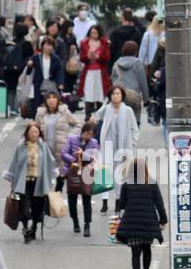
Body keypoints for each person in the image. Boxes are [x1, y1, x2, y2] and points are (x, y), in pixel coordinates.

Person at [115, 156, 167, 269]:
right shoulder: (151, 183)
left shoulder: (127, 184)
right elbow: (159, 203)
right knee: (147, 249)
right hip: (148, 222)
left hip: (131, 222)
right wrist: (163, 220)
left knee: (135, 253)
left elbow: (121, 204)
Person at [2, 120, 56, 244]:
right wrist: (12, 179)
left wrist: (50, 180)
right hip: (24, 182)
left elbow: (50, 163)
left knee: (38, 206)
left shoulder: (43, 146)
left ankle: (34, 227)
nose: (34, 134)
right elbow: (15, 164)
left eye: (36, 132)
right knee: (24, 206)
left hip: (39, 181)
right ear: (27, 133)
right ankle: (25, 229)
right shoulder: (21, 147)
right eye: (32, 132)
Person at [96, 85, 138, 214]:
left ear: (122, 96)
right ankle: (104, 202)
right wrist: (105, 104)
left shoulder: (128, 110)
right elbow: (96, 117)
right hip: (107, 144)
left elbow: (134, 128)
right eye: (113, 94)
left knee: (119, 174)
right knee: (105, 173)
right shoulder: (106, 109)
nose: (116, 96)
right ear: (110, 96)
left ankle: (118, 201)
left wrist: (132, 143)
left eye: (118, 94)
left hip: (123, 146)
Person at [62, 119, 100, 236]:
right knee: (72, 198)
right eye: (87, 133)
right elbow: (64, 153)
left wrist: (83, 155)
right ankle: (75, 221)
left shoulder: (93, 142)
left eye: (91, 134)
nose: (88, 136)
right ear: (83, 131)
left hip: (87, 173)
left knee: (86, 199)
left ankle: (87, 224)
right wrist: (74, 160)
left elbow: (95, 157)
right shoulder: (72, 139)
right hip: (72, 172)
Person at [34, 89, 80, 181]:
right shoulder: (41, 113)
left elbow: (78, 124)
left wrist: (69, 137)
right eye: (49, 98)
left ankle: (57, 193)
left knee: (59, 177)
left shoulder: (64, 112)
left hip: (60, 148)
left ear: (58, 100)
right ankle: (47, 194)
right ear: (46, 100)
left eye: (54, 97)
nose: (51, 100)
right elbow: (35, 128)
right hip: (45, 148)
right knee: (46, 176)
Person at [110, 40, 149, 125]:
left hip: (119, 95)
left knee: (119, 120)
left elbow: (113, 79)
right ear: (136, 51)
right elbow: (143, 82)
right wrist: (146, 99)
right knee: (134, 121)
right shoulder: (138, 63)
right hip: (133, 96)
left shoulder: (116, 63)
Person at [78, 27, 112, 120]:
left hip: (100, 72)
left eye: (95, 33)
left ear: (99, 33)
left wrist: (98, 57)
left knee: (99, 92)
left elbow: (107, 57)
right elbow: (82, 58)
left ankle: (100, 114)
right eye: (92, 33)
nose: (93, 35)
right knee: (88, 92)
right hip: (89, 71)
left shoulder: (105, 43)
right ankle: (88, 114)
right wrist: (87, 57)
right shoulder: (84, 43)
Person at [29, 36, 67, 112]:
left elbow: (59, 71)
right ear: (42, 46)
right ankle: (37, 120)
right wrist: (29, 65)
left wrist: (60, 83)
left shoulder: (56, 58)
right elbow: (28, 71)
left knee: (51, 103)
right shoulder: (36, 57)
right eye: (47, 45)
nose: (49, 47)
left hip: (51, 84)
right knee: (38, 103)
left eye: (51, 45)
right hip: (38, 84)